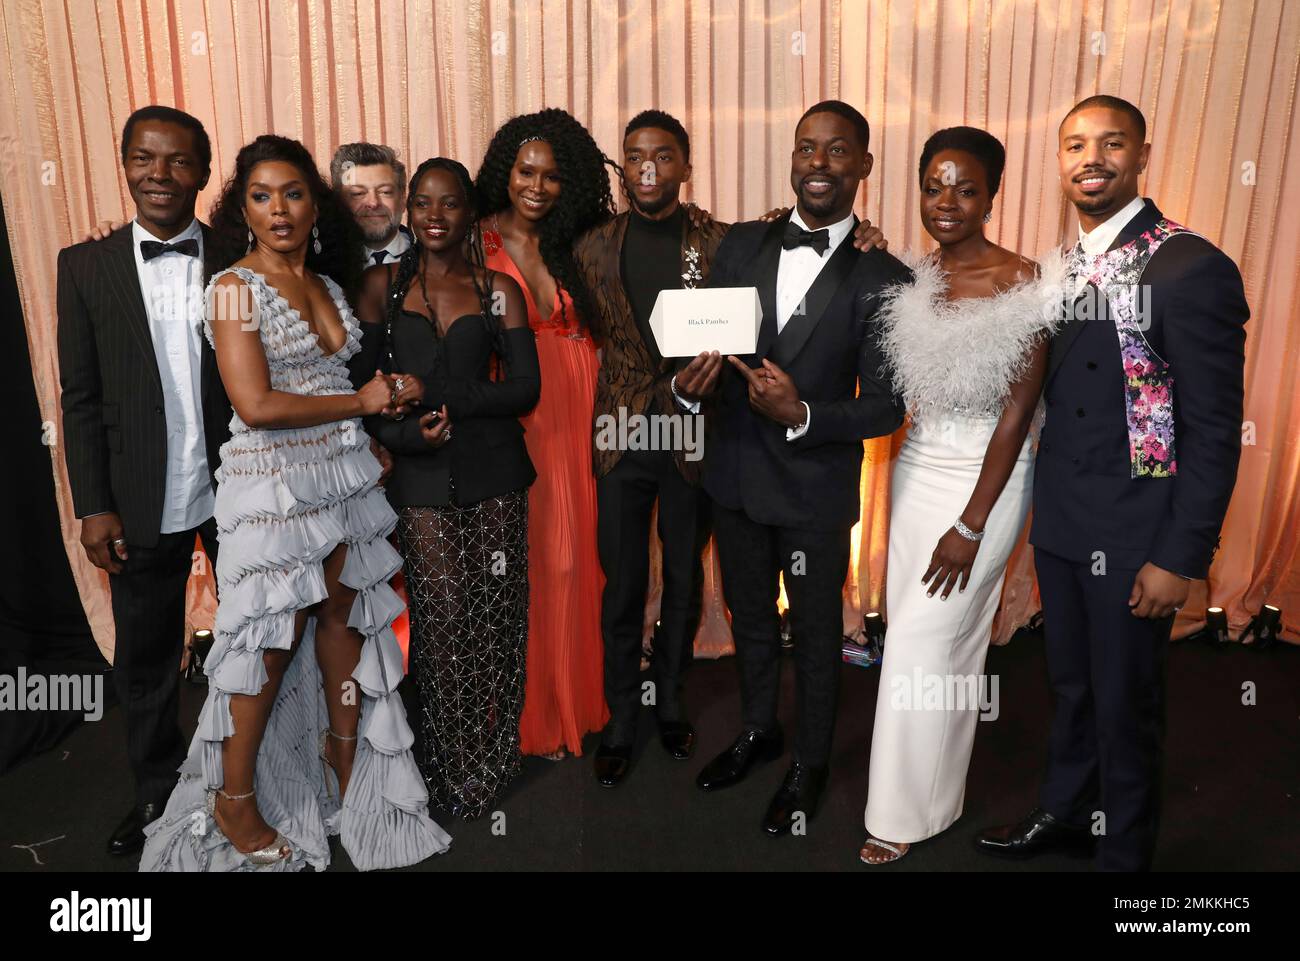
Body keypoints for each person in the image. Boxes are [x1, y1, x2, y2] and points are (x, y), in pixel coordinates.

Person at [139, 134, 450, 870]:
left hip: (339, 472)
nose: (278, 210)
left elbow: (335, 385)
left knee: (343, 618)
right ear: (242, 209)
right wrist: (361, 401)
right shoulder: (233, 288)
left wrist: (381, 406)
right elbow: (255, 403)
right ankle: (233, 798)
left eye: (293, 193)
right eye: (260, 196)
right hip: (273, 484)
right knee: (269, 645)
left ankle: (341, 760)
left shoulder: (330, 287)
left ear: (316, 205)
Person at [976, 96, 1248, 871]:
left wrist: (1180, 555)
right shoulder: (1061, 267)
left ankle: (1123, 856)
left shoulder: (1190, 265)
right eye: (1074, 145)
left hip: (1137, 534)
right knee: (1070, 685)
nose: (1090, 158)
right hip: (1064, 520)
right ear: (1060, 162)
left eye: (1111, 143)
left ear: (1142, 156)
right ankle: (1067, 810)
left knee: (1126, 703)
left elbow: (1214, 430)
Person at [677, 100, 910, 835]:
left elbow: (887, 407)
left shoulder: (886, 276)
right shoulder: (741, 242)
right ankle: (758, 730)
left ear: (863, 165)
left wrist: (803, 413)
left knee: (813, 634)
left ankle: (810, 761)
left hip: (814, 492)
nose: (819, 163)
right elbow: (705, 343)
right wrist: (688, 386)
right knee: (748, 617)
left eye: (837, 150)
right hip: (735, 477)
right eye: (807, 147)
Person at [859, 127, 1064, 864]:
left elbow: (1018, 411)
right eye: (934, 187)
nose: (947, 202)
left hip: (987, 482)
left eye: (966, 189)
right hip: (915, 470)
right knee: (938, 644)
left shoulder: (1026, 281)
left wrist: (972, 525)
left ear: (992, 196)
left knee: (923, 645)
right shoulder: (913, 278)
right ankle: (936, 796)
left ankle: (898, 814)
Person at [56, 105, 233, 858]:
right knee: (147, 655)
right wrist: (93, 505)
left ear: (204, 171)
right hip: (137, 496)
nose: (159, 174)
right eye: (143, 158)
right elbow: (80, 397)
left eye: (178, 160)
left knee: (262, 639)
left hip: (240, 488)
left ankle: (254, 777)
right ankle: (158, 791)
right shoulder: (83, 266)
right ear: (124, 162)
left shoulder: (241, 256)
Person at [354, 157, 540, 818]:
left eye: (450, 202)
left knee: (497, 616)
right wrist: (409, 438)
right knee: (442, 619)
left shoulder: (499, 290)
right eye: (424, 203)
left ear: (470, 212)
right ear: (409, 210)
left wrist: (436, 391)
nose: (436, 215)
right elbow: (364, 397)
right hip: (419, 479)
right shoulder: (379, 287)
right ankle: (449, 759)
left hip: (495, 474)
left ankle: (493, 755)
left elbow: (525, 390)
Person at [571, 110, 726, 785]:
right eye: (634, 156)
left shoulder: (720, 242)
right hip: (622, 429)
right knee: (624, 579)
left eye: (662, 156)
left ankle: (670, 698)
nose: (647, 168)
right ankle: (621, 715)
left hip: (691, 427)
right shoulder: (592, 245)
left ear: (686, 166)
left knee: (685, 576)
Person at [475, 108, 615, 759]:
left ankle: (571, 702)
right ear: (505, 172)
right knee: (524, 560)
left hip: (581, 408)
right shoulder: (474, 240)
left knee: (577, 558)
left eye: (552, 176)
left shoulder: (581, 240)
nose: (536, 186)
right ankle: (526, 711)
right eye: (525, 172)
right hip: (513, 413)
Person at [331, 142, 413, 268]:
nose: (373, 203)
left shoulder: (428, 258)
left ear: (403, 199)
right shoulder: (320, 266)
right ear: (338, 202)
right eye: (358, 193)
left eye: (385, 192)